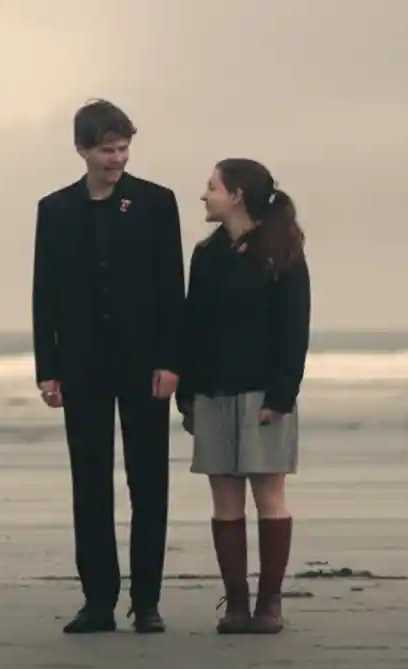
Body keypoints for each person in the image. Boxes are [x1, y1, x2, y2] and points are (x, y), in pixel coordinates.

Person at [31, 99, 185, 634]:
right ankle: (98, 602)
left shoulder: (156, 203)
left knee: (149, 484)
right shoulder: (55, 209)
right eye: (106, 149)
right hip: (82, 366)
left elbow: (172, 287)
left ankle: (147, 603)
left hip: (145, 365)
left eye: (123, 149)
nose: (116, 158)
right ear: (82, 149)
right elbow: (43, 293)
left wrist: (172, 360)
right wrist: (46, 368)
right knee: (90, 483)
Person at [178, 159, 311, 634]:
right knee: (224, 498)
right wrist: (188, 395)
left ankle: (269, 604)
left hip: (264, 395)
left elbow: (294, 331)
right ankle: (236, 603)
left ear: (235, 194)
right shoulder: (207, 253)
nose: (204, 195)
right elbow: (192, 326)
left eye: (211, 187)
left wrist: (282, 395)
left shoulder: (282, 252)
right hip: (213, 392)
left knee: (270, 495)